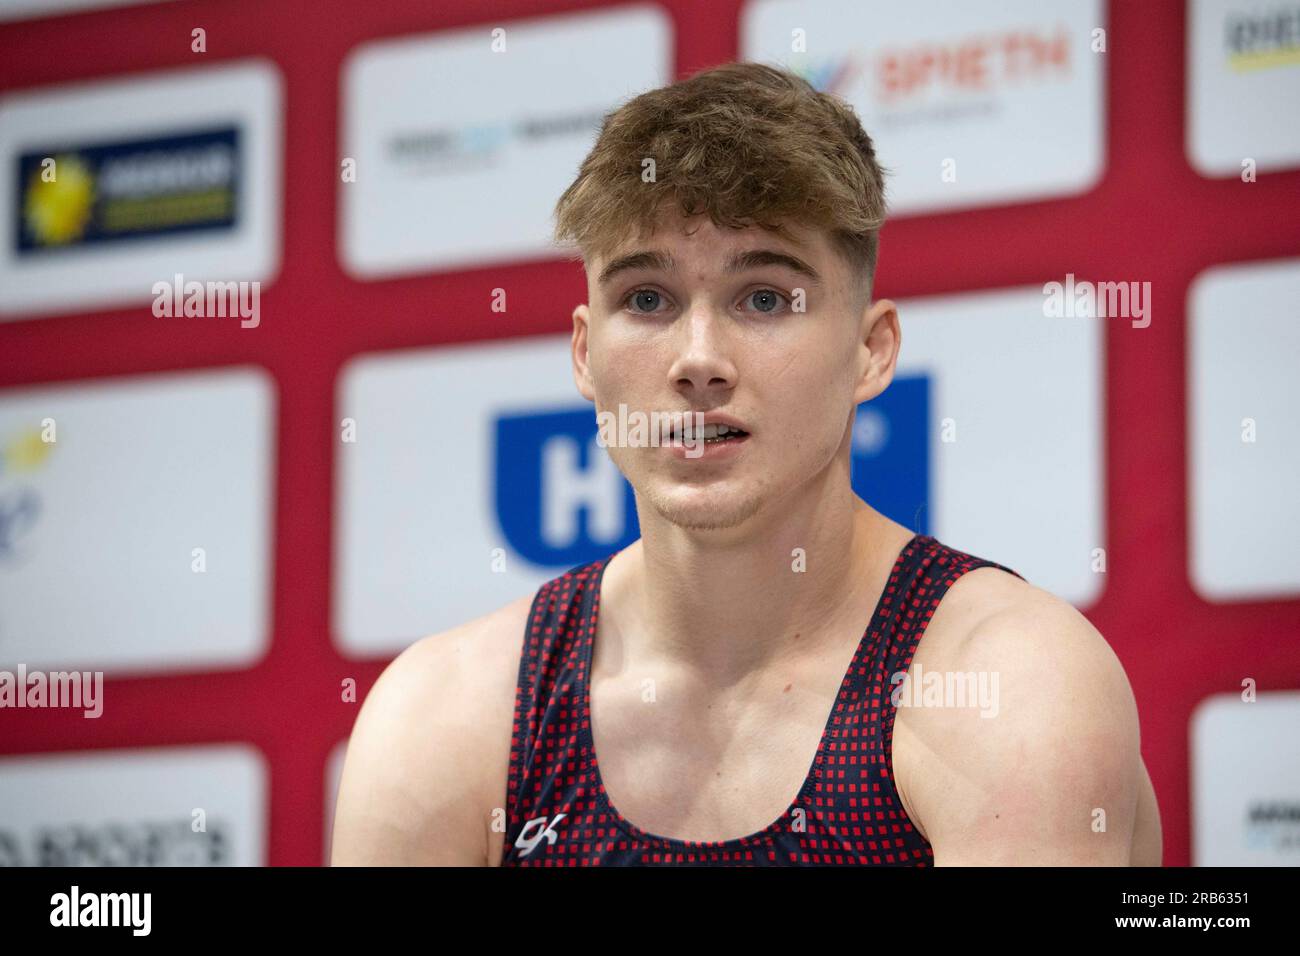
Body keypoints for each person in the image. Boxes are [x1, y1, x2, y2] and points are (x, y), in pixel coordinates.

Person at [331, 61, 1162, 866]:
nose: (699, 360)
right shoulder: (450, 715)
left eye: (764, 297)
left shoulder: (1003, 684)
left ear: (871, 353)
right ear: (584, 356)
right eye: (646, 300)